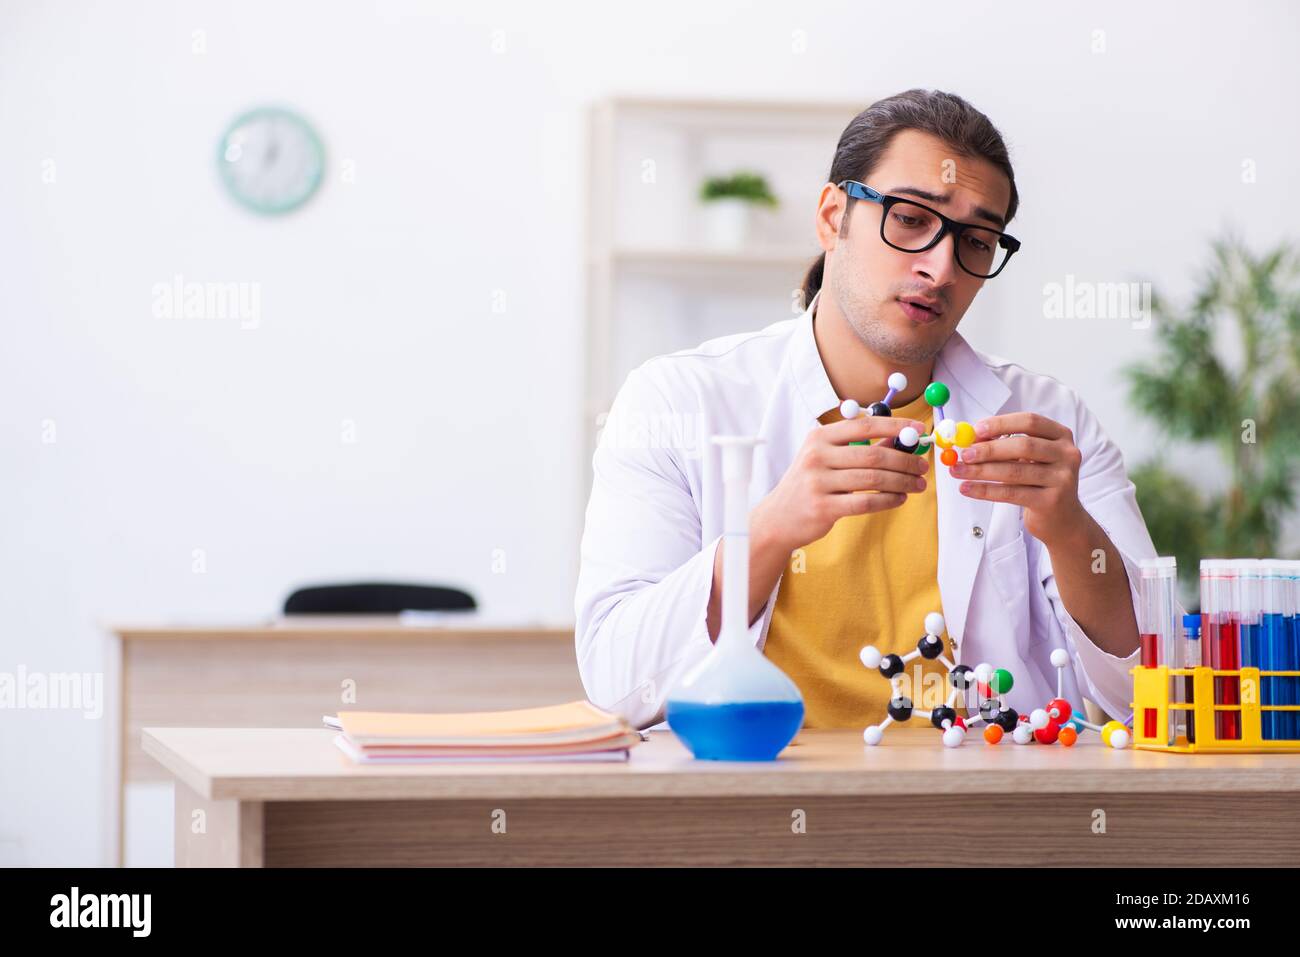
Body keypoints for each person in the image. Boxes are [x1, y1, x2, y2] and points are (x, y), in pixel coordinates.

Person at [575, 89, 1155, 733]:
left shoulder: (1049, 423)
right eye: (910, 218)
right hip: (751, 804)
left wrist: (1071, 529)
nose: (940, 268)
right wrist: (770, 530)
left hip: (983, 810)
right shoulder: (677, 401)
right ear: (833, 217)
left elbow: (1153, 694)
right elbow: (617, 684)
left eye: (978, 240)